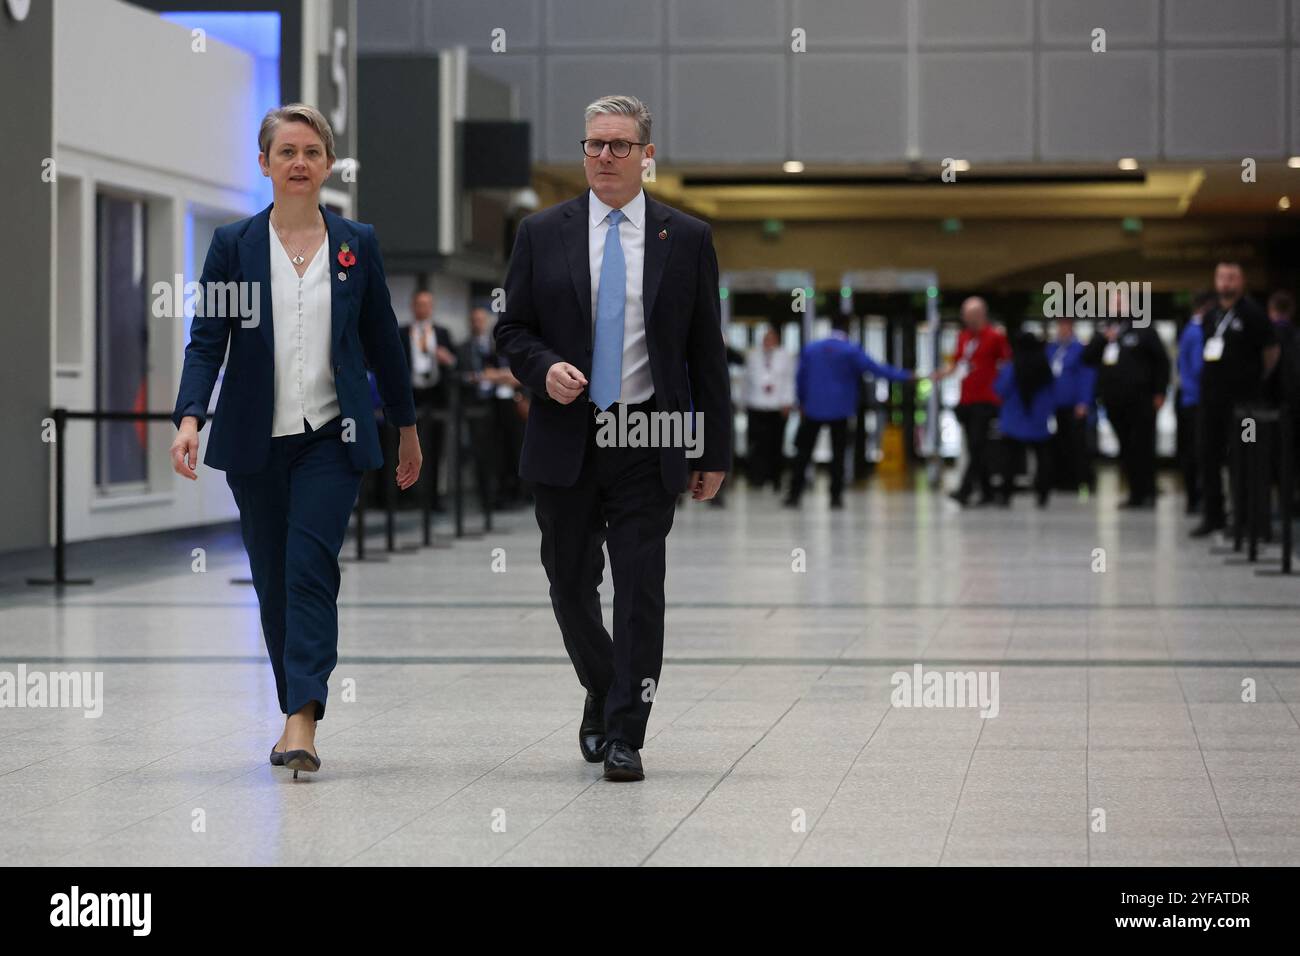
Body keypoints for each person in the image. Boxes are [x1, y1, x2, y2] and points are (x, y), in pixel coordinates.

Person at [169, 104, 421, 777]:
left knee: (310, 571)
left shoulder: (355, 243)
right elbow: (208, 341)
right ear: (265, 164)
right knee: (273, 581)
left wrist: (406, 427)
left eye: (312, 151)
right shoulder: (234, 246)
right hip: (255, 442)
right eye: (287, 152)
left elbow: (382, 343)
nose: (300, 163)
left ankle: (300, 721)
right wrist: (191, 416)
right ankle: (295, 707)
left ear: (328, 164)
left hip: (331, 441)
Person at [493, 94, 731, 782]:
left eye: (619, 146)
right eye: (593, 144)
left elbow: (703, 353)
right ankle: (603, 683)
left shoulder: (685, 238)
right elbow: (510, 330)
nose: (603, 156)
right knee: (569, 583)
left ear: (646, 157)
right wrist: (544, 370)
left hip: (648, 433)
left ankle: (627, 728)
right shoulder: (543, 233)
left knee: (640, 586)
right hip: (566, 434)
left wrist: (711, 450)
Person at [783, 316, 916, 509]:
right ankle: (835, 497)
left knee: (803, 453)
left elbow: (800, 377)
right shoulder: (851, 350)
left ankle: (794, 495)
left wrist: (801, 401)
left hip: (813, 408)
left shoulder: (811, 348)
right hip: (841, 409)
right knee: (838, 454)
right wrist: (905, 376)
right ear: (848, 329)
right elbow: (875, 369)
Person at [1191, 262, 1279, 537]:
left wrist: (1255, 380)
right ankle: (1213, 516)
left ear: (1241, 281)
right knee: (1208, 457)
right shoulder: (1211, 315)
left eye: (1231, 278)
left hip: (1244, 404)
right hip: (1211, 401)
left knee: (1243, 459)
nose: (1226, 283)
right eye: (1221, 277)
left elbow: (1271, 351)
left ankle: (1244, 518)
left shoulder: (1253, 313)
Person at [1082, 316, 1170, 509]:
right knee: (1126, 448)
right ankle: (1135, 493)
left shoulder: (1144, 328)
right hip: (1114, 401)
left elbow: (1161, 361)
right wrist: (1103, 338)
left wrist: (1160, 391)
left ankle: (1148, 492)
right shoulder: (1104, 329)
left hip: (1141, 400)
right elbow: (1087, 357)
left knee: (1143, 446)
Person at [934, 297, 1011, 507]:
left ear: (980, 315)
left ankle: (965, 489)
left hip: (986, 399)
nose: (966, 319)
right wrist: (941, 374)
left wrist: (1001, 392)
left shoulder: (995, 337)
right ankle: (987, 492)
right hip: (966, 398)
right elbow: (958, 363)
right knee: (977, 447)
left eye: (969, 315)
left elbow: (1006, 365)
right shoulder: (963, 337)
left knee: (978, 445)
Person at [402, 290, 458, 511]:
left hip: (435, 396)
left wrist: (448, 359)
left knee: (435, 448)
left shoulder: (442, 333)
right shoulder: (403, 332)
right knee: (406, 445)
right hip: (412, 394)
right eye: (419, 304)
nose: (423, 308)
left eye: (427, 304)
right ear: (413, 307)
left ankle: (434, 497)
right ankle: (407, 496)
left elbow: (456, 362)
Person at [994, 331, 1056, 507]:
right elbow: (1052, 392)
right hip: (1038, 421)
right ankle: (1043, 494)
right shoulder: (1044, 366)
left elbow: (1000, 389)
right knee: (1042, 459)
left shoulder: (1012, 367)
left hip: (1014, 420)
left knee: (1010, 461)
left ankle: (1006, 494)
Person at [1045, 317, 1096, 494]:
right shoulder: (1052, 349)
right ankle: (1062, 480)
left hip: (1074, 405)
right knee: (1059, 444)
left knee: (1078, 444)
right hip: (1056, 405)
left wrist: (1083, 401)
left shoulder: (1080, 350)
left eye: (1065, 326)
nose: (1062, 330)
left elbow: (1086, 377)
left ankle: (1082, 481)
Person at [742, 328, 795, 491]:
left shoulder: (785, 356)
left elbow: (789, 380)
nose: (768, 342)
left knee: (776, 444)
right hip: (756, 405)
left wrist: (788, 402)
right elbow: (746, 380)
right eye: (766, 339)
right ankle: (756, 478)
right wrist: (743, 401)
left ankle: (775, 479)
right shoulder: (753, 356)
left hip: (777, 407)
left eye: (771, 339)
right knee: (756, 444)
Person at [1176, 292, 1214, 514]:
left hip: (1189, 398)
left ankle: (1194, 498)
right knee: (1197, 452)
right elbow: (1200, 367)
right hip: (1197, 399)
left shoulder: (1187, 331)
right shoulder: (1198, 332)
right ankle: (1197, 498)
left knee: (1190, 450)